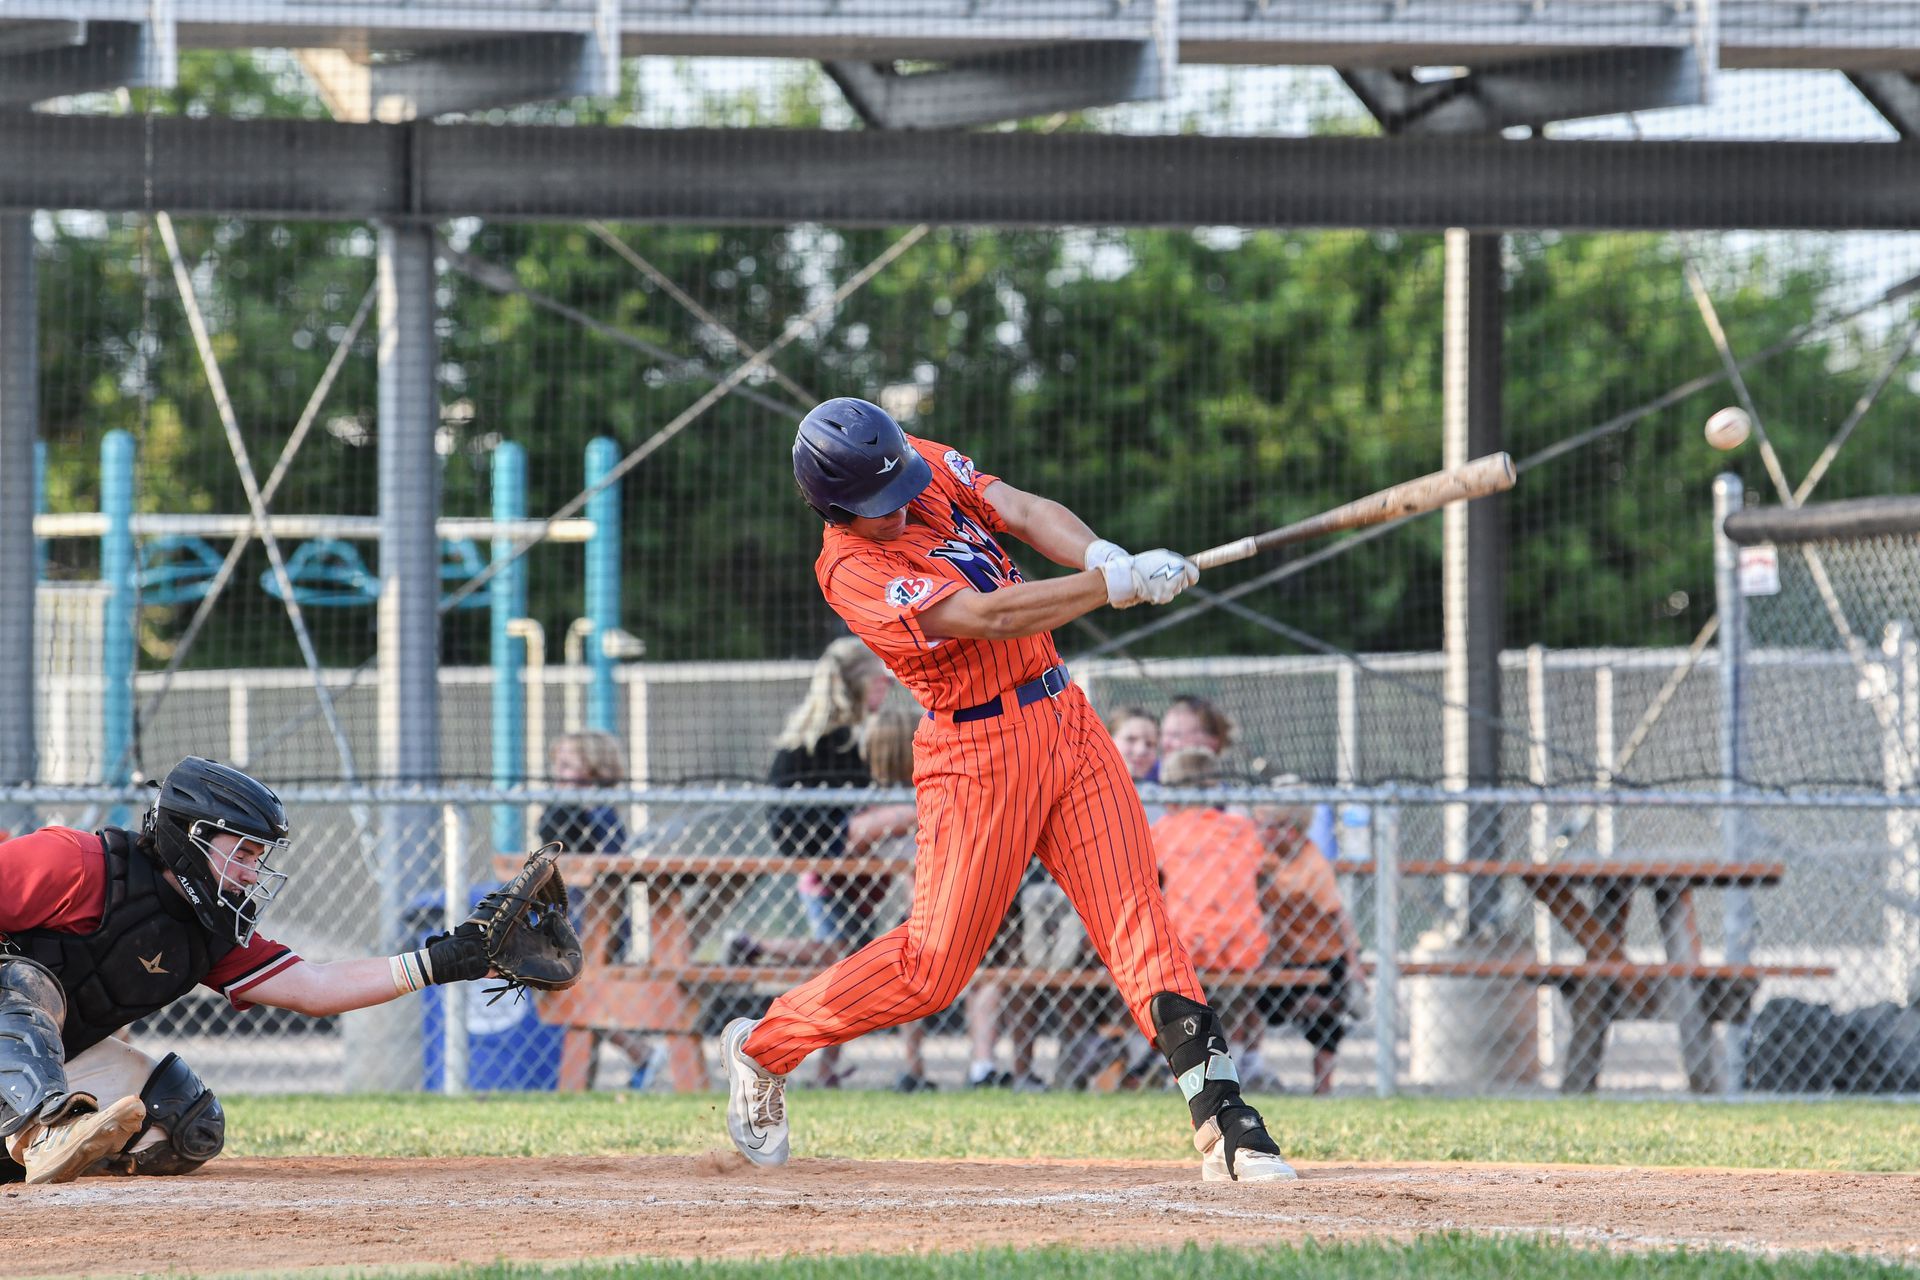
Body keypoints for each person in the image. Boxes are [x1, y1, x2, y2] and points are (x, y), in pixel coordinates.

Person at [721, 396, 1296, 1183]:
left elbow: (1019, 508)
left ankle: (1224, 1118)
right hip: (978, 752)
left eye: (900, 488)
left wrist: (1101, 554)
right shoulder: (851, 569)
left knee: (1137, 916)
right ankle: (765, 1046)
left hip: (1067, 718)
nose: (900, 508)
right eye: (877, 506)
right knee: (933, 968)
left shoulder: (908, 464)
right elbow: (989, 618)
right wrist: (1111, 589)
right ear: (834, 506)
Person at [0, 757, 505, 1184]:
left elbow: (315, 987)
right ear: (190, 837)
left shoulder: (205, 932)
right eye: (241, 852)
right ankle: (43, 1133)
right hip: (22, 1063)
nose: (249, 872)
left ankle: (36, 1152)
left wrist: (446, 961)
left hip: (20, 1081)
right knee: (25, 982)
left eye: (258, 857)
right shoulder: (78, 862)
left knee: (183, 1123)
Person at [755, 636, 917, 1086]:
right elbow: (815, 827)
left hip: (841, 855)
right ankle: (922, 909)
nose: (885, 690)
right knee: (916, 813)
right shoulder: (832, 736)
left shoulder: (849, 734)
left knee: (846, 962)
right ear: (859, 685)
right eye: (879, 682)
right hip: (823, 851)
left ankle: (825, 1067)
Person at [536, 731, 663, 1090]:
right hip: (566, 916)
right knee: (571, 990)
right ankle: (618, 1063)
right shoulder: (560, 810)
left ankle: (640, 1052)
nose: (558, 773)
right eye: (556, 765)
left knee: (573, 988)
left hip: (597, 921)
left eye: (568, 765)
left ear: (594, 769)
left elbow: (607, 862)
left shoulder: (602, 814)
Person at [1249, 774, 1368, 1096]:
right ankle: (1316, 1004)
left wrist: (1353, 961)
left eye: (1267, 826)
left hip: (1325, 954)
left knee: (1326, 1030)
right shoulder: (1265, 856)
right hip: (1286, 954)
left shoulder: (1312, 866)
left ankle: (1322, 1087)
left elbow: (1338, 915)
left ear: (1290, 831)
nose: (1259, 832)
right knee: (1267, 1005)